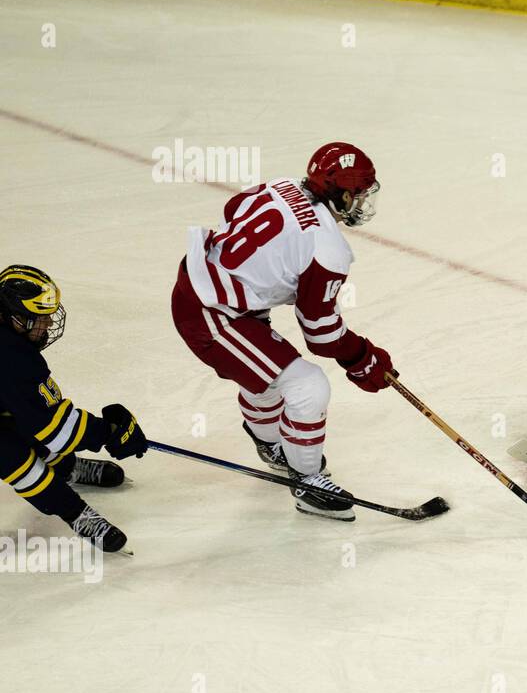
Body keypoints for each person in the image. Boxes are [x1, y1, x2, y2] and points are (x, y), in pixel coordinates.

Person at [171, 143, 396, 521]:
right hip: (214, 313)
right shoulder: (328, 248)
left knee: (268, 372)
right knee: (308, 386)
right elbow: (321, 334)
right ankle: (308, 484)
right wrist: (361, 357)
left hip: (210, 289)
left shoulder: (282, 185)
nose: (361, 202)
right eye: (358, 194)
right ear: (342, 194)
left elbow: (234, 209)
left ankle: (269, 442)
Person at [0, 265, 146, 552]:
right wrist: (109, 433)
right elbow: (53, 428)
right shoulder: (10, 356)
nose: (50, 322)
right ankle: (76, 514)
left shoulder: (9, 341)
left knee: (18, 417)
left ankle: (67, 468)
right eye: (41, 317)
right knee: (15, 458)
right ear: (17, 319)